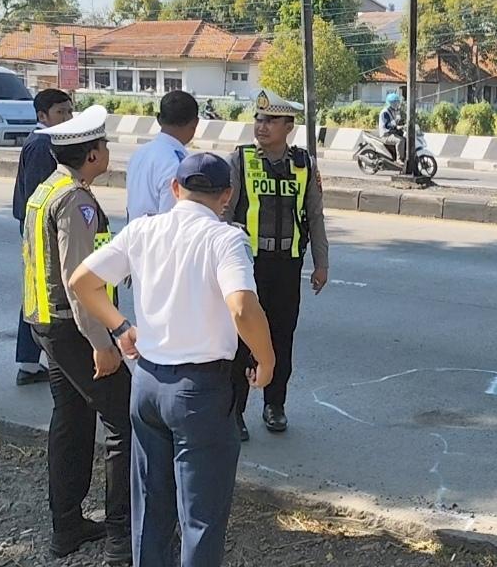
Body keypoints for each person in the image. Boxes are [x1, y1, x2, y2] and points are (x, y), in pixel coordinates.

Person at [70, 152, 277, 567]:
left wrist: (120, 325)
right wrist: (267, 359)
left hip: (146, 383)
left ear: (175, 189)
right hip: (200, 390)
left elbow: (82, 282)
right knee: (200, 516)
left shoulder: (143, 230)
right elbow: (241, 306)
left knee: (150, 506)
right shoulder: (225, 238)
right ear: (226, 196)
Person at [20, 105, 132, 565]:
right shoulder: (77, 202)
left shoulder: (49, 190)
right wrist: (102, 343)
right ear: (90, 155)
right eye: (103, 145)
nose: (107, 151)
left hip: (47, 323)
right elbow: (77, 278)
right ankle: (121, 541)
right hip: (74, 329)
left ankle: (66, 526)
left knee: (71, 420)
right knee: (124, 423)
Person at [224, 89, 329, 439]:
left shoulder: (304, 164)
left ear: (289, 127)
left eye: (270, 121)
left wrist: (321, 263)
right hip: (247, 265)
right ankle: (234, 412)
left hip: (287, 264)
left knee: (281, 337)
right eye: (258, 119)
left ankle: (275, 405)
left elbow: (315, 215)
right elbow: (225, 213)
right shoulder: (239, 160)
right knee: (241, 340)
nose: (261, 126)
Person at [11, 88, 74, 385]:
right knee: (42, 293)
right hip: (38, 229)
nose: (67, 117)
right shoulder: (41, 144)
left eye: (69, 111)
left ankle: (30, 361)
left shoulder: (48, 140)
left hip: (38, 227)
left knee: (39, 292)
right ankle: (30, 362)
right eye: (60, 112)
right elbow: (40, 195)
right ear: (42, 116)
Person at [126, 90, 199, 221]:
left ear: (159, 119)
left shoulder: (139, 153)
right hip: (158, 239)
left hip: (134, 236)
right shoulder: (178, 164)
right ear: (195, 124)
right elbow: (170, 222)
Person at [378, 91, 405, 163]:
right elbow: (387, 125)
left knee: (405, 137)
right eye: (394, 102)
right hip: (386, 135)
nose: (396, 104)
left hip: (391, 133)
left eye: (397, 102)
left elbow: (397, 121)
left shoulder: (393, 111)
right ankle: (399, 159)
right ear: (390, 103)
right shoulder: (385, 112)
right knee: (400, 140)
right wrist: (397, 127)